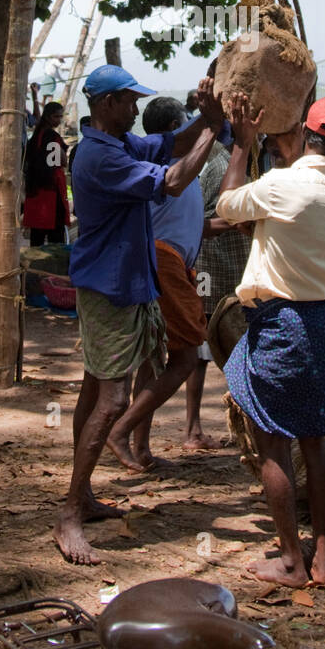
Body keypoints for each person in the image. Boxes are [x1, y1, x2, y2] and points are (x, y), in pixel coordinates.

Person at [53, 65, 225, 566]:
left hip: (118, 282)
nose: (136, 110)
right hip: (111, 287)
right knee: (110, 400)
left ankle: (80, 498)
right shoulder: (102, 156)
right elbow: (173, 179)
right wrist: (212, 127)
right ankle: (69, 513)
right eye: (130, 102)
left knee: (93, 389)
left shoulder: (115, 143)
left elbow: (170, 145)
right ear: (107, 104)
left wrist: (204, 117)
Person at [217, 94, 325, 588]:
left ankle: (290, 561)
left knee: (273, 443)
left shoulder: (283, 184)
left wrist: (242, 146)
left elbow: (226, 204)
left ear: (306, 132)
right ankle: (321, 557)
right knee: (316, 440)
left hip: (282, 323)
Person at [106, 97, 209, 470]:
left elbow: (189, 222)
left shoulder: (173, 166)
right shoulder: (168, 166)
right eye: (187, 127)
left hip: (170, 261)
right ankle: (122, 430)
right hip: (163, 261)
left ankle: (141, 448)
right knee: (186, 358)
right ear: (173, 132)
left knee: (152, 359)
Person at [185, 138, 253, 450]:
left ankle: (199, 429)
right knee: (229, 352)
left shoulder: (216, 161)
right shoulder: (221, 164)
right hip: (217, 273)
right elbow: (199, 225)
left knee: (211, 354)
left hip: (218, 272)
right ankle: (199, 430)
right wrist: (242, 220)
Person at [23, 102, 70, 247]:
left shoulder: (36, 134)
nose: (59, 120)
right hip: (50, 192)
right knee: (56, 238)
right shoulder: (51, 136)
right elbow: (59, 161)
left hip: (35, 190)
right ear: (48, 117)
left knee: (37, 237)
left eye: (61, 116)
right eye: (56, 116)